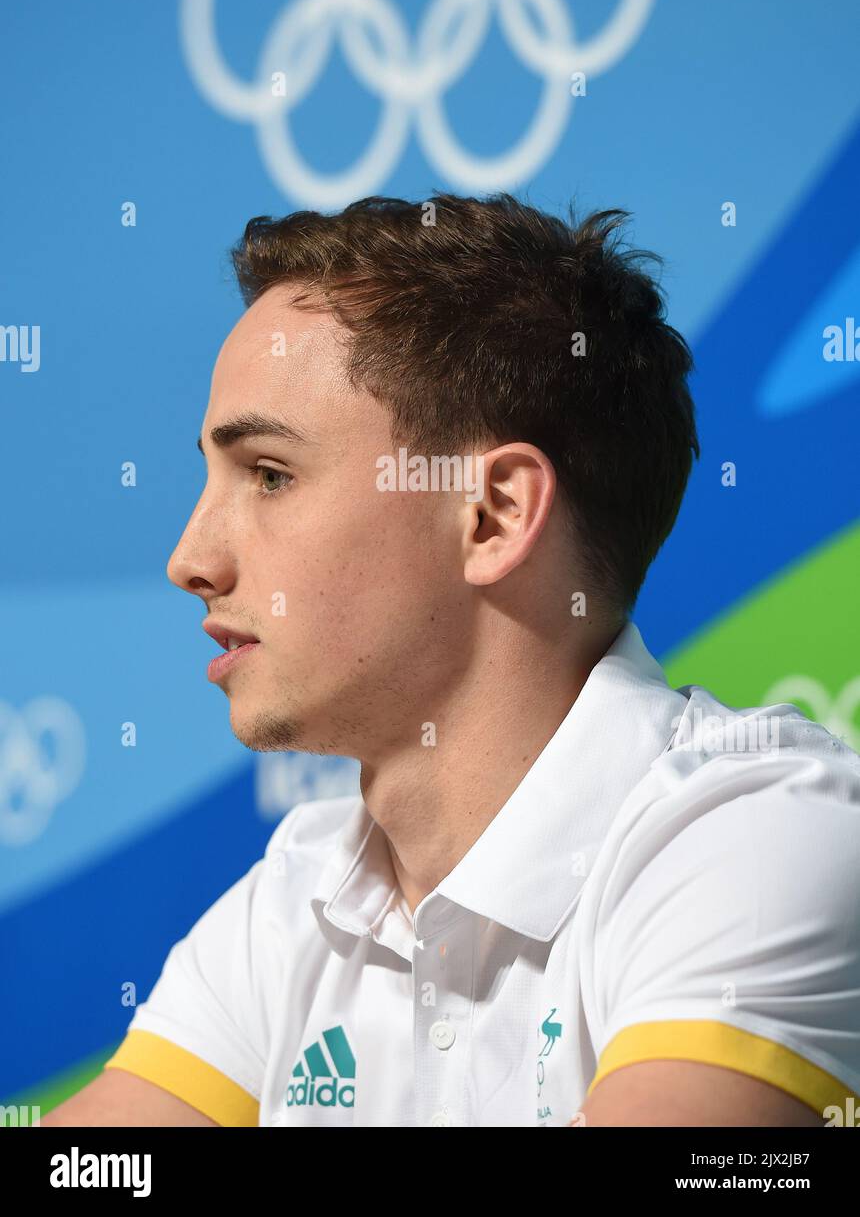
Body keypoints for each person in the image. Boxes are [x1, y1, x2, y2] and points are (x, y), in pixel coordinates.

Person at [43, 193, 860, 1127]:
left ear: (493, 515)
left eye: (269, 475)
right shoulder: (301, 897)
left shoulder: (755, 836)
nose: (190, 559)